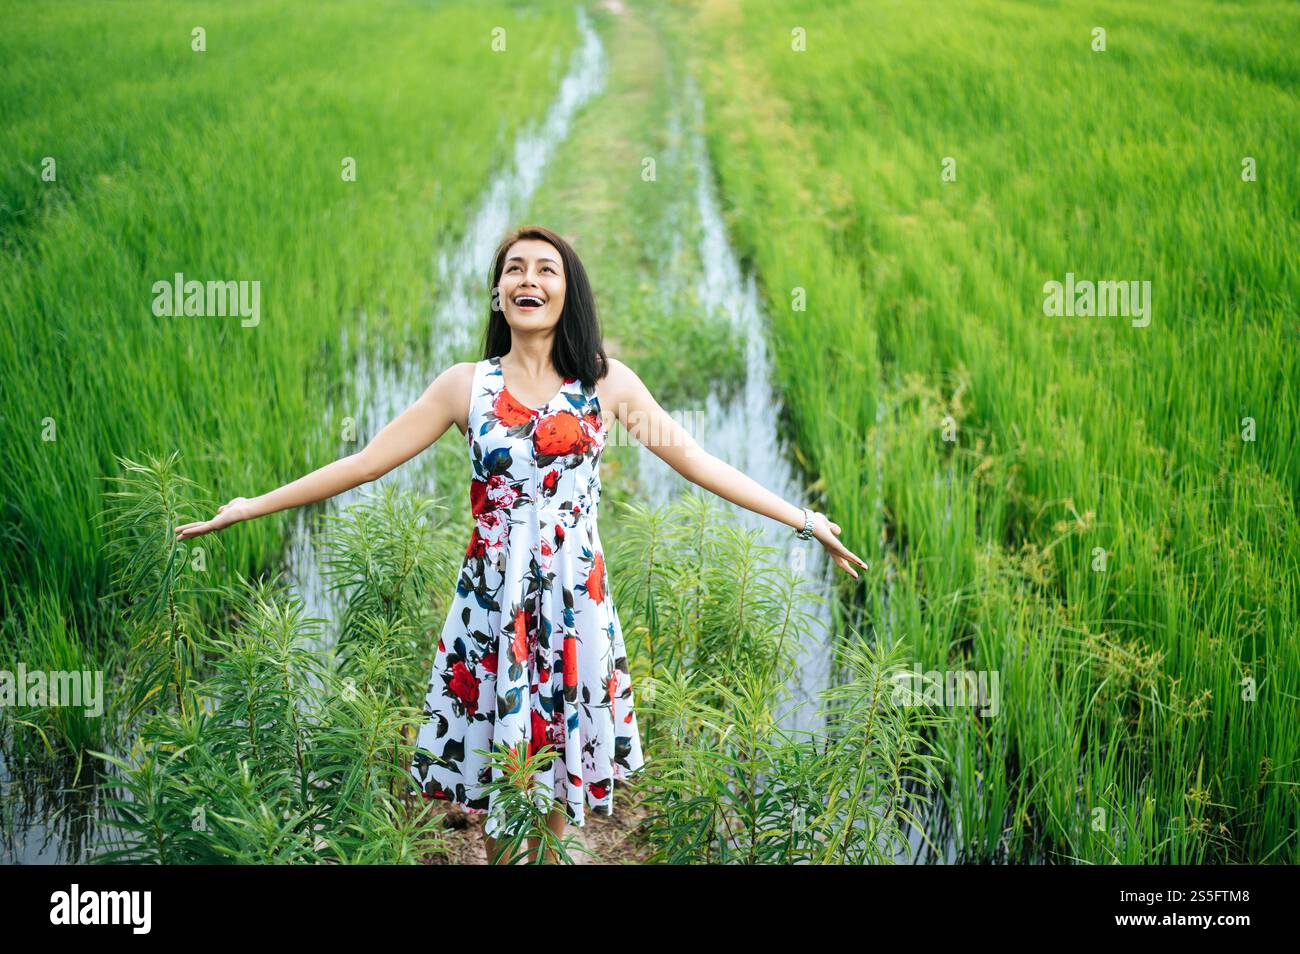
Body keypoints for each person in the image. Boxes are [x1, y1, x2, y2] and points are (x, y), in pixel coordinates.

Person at [174, 224, 869, 864]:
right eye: (514, 269)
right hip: (491, 609)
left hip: (574, 607)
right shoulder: (464, 388)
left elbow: (699, 462)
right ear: (499, 293)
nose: (528, 279)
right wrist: (249, 507)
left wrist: (801, 519)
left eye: (545, 268)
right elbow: (362, 462)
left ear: (568, 292)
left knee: (560, 779)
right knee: (507, 793)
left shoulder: (606, 383)